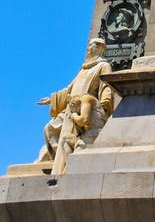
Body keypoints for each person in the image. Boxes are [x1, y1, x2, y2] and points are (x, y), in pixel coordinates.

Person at [36, 38, 113, 174]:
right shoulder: (84, 69)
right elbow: (69, 89)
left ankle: (69, 162)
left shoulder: (103, 66)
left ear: (100, 48)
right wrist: (52, 99)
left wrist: (105, 101)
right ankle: (58, 160)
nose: (88, 48)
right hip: (69, 110)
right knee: (49, 129)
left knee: (68, 138)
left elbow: (106, 85)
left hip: (86, 109)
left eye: (91, 45)